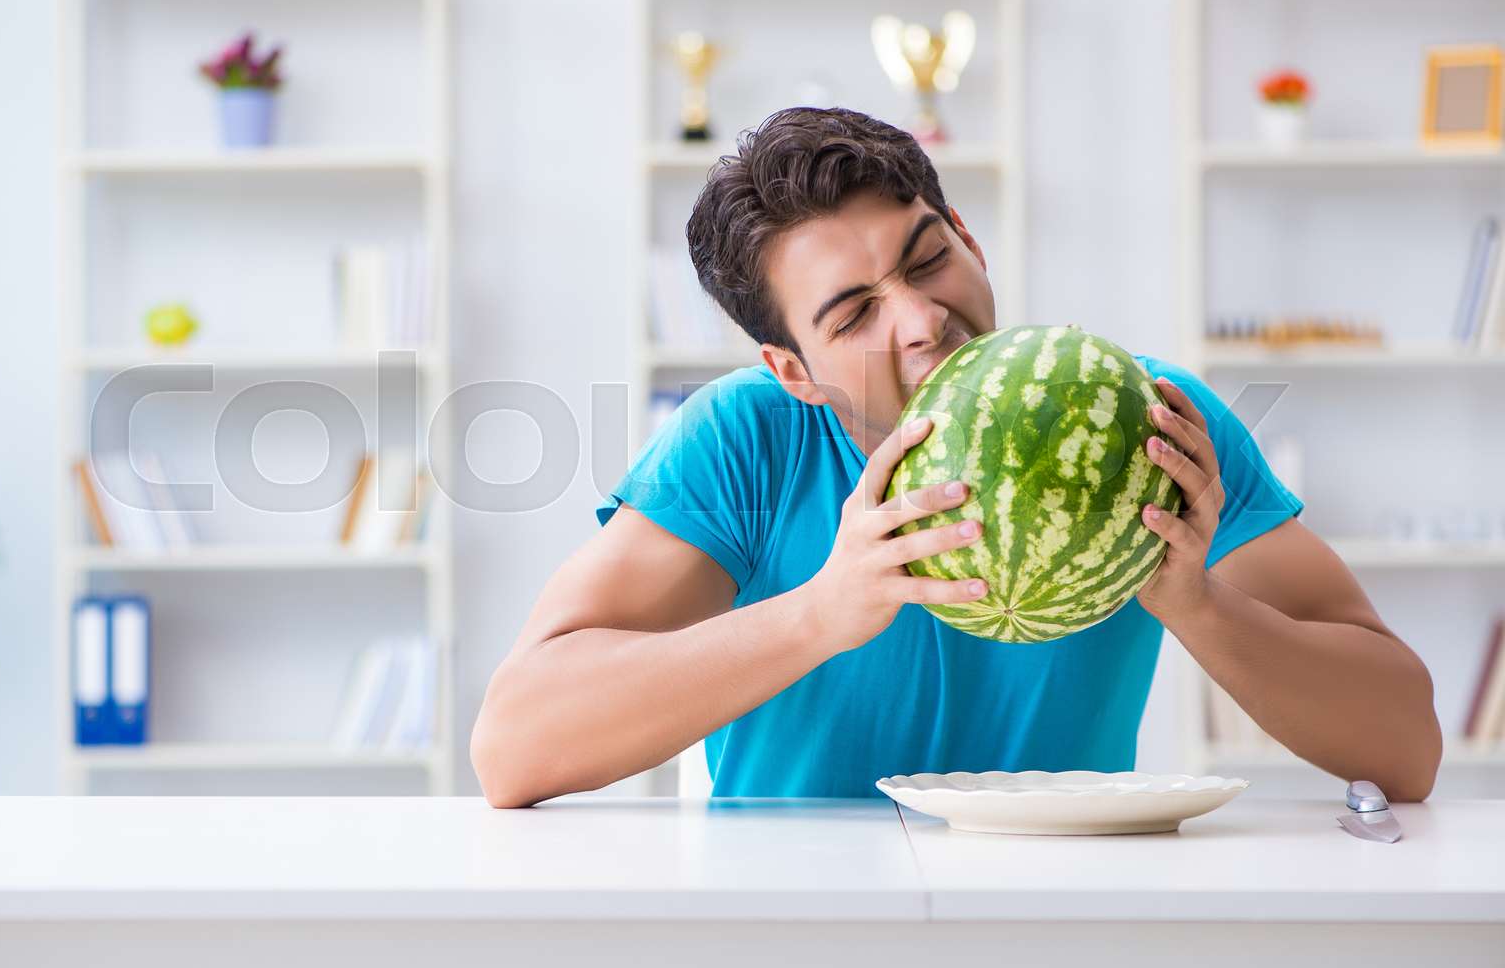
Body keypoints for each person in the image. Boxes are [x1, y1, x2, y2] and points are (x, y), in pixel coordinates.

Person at [471, 106, 1440, 806]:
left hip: (1051, 925)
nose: (925, 321)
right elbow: (512, 745)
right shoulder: (746, 439)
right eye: (853, 314)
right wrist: (818, 614)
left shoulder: (1144, 419)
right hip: (788, 931)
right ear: (793, 368)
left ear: (969, 240)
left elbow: (1403, 751)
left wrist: (1196, 601)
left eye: (928, 259)